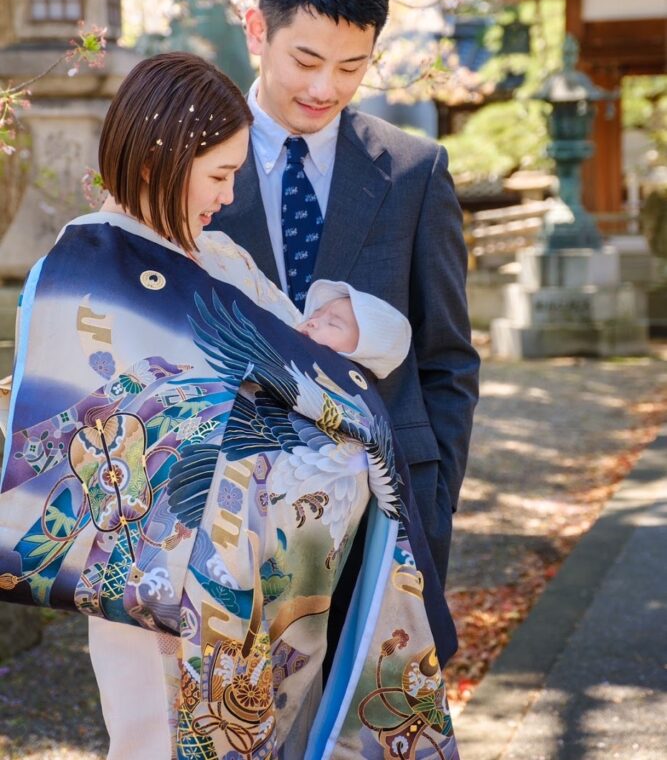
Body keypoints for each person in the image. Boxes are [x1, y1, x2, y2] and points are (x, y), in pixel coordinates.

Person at [0, 52, 460, 760]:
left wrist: (353, 332)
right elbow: (75, 425)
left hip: (271, 580)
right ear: (157, 161)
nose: (226, 193)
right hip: (151, 576)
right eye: (216, 175)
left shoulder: (224, 260)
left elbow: (318, 374)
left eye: (235, 173)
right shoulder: (84, 266)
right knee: (154, 735)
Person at [210, 0, 480, 599]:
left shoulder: (414, 172)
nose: (323, 87)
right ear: (256, 31)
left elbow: (447, 360)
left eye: (351, 66)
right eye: (304, 59)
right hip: (229, 525)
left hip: (386, 524)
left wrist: (432, 499)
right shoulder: (187, 166)